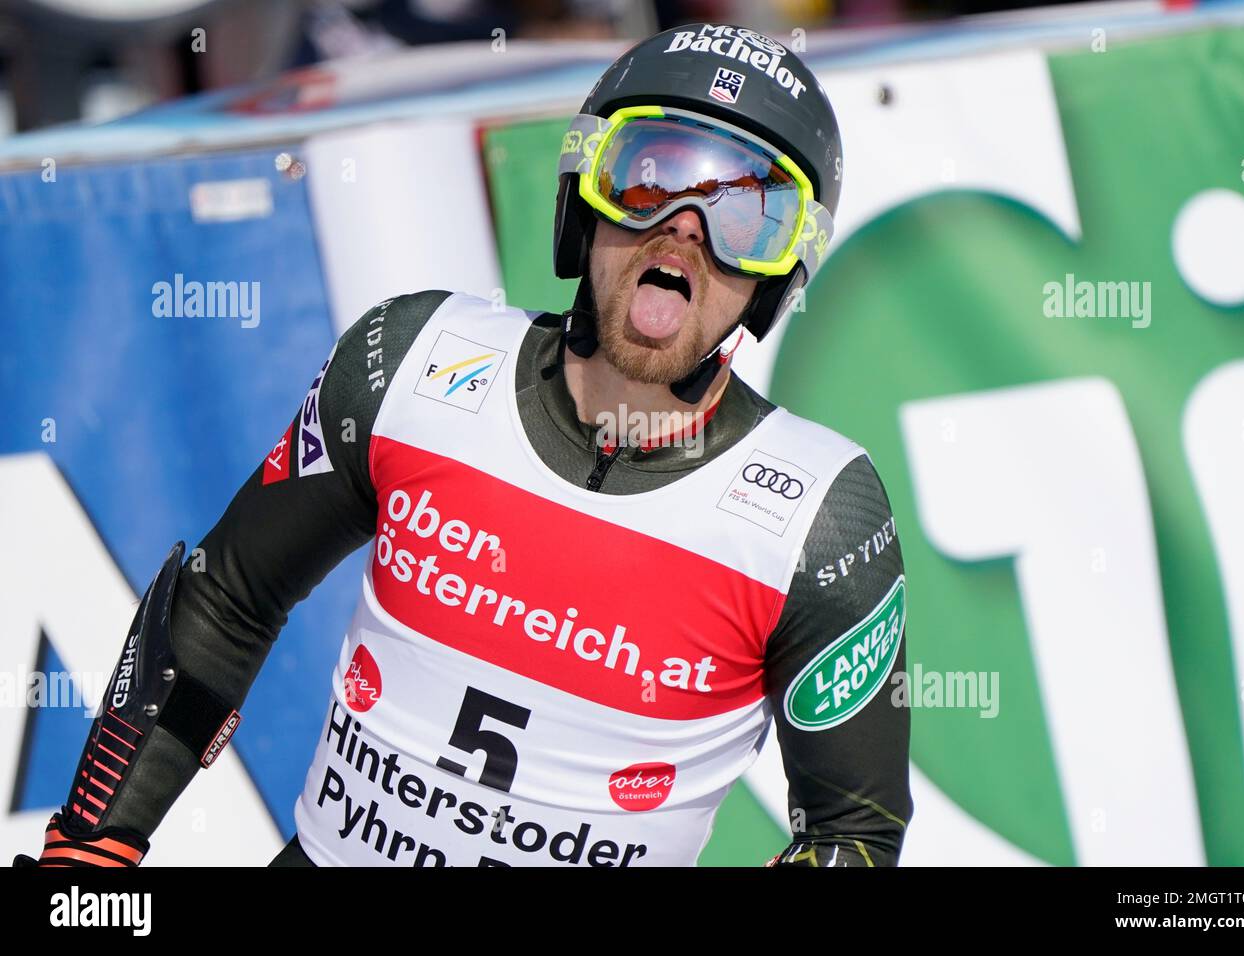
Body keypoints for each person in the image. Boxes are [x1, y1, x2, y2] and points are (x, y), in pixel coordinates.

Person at [18, 21, 911, 868]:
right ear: (580, 197)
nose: (684, 226)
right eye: (650, 176)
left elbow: (852, 831)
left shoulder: (820, 521)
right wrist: (93, 854)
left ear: (780, 271)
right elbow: (226, 601)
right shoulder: (408, 363)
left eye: (744, 210)